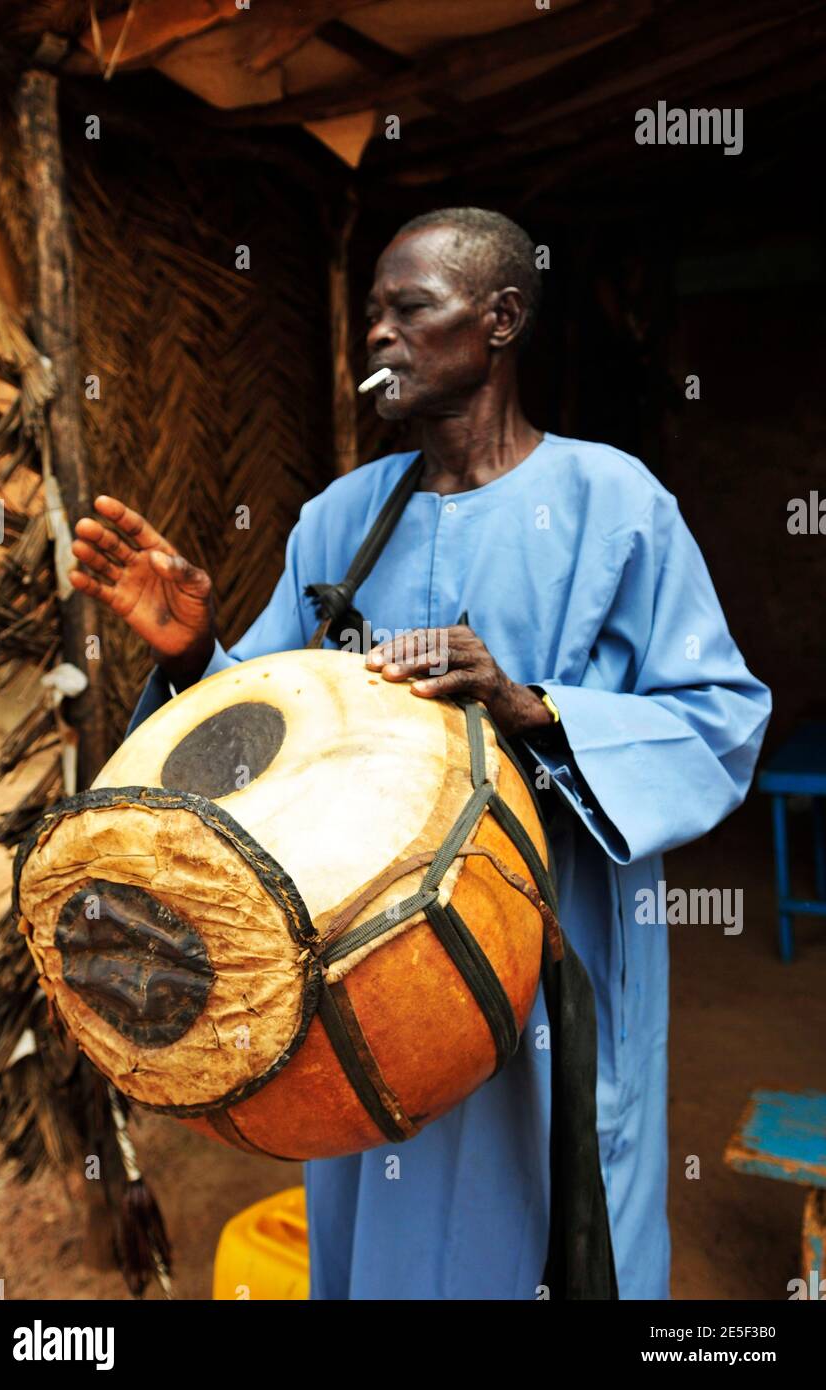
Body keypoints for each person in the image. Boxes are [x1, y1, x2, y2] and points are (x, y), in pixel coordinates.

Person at [69, 207, 771, 1300]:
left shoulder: (613, 504)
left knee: (547, 1208)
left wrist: (530, 704)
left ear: (498, 319)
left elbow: (720, 716)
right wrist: (201, 649)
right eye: (371, 317)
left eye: (410, 310)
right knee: (375, 1195)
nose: (378, 338)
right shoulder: (337, 520)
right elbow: (253, 754)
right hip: (364, 970)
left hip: (546, 944)